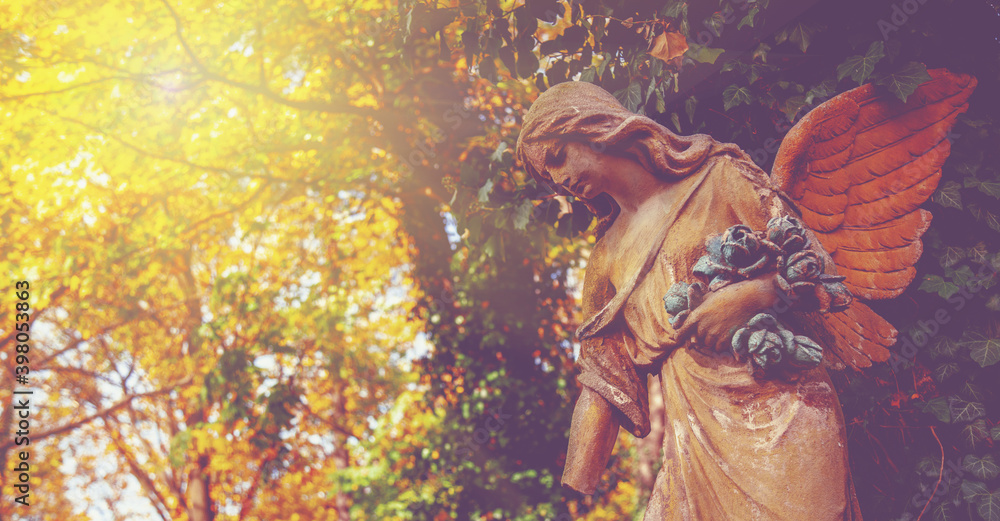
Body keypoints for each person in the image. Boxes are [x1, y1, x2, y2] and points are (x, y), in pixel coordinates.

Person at [516, 81, 863, 520]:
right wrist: (573, 489)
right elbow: (602, 377)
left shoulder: (718, 178)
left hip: (783, 408)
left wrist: (754, 294)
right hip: (692, 436)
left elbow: (822, 274)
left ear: (591, 125)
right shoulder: (606, 255)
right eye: (548, 177)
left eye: (557, 156)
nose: (560, 179)